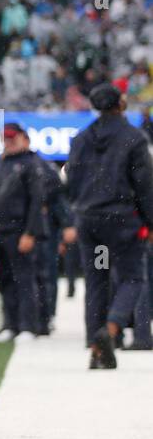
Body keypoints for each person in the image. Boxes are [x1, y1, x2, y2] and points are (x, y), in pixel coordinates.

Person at [65, 82, 153, 369]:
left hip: (91, 224)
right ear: (120, 104)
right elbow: (145, 186)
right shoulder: (134, 138)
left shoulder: (81, 139)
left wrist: (81, 208)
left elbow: (72, 181)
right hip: (122, 223)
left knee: (98, 279)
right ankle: (112, 329)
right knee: (131, 278)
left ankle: (96, 346)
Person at [0, 122, 48, 342]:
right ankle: (10, 324)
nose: (7, 142)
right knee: (4, 279)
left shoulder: (30, 164)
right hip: (0, 230)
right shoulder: (0, 165)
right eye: (5, 138)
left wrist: (30, 232)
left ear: (22, 138)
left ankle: (28, 326)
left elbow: (37, 201)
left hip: (19, 230)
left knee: (24, 278)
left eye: (12, 138)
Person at [33, 154, 77, 334]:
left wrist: (65, 227)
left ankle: (46, 316)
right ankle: (40, 316)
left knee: (48, 274)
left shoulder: (48, 177)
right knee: (44, 275)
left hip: (48, 233)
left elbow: (59, 205)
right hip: (41, 232)